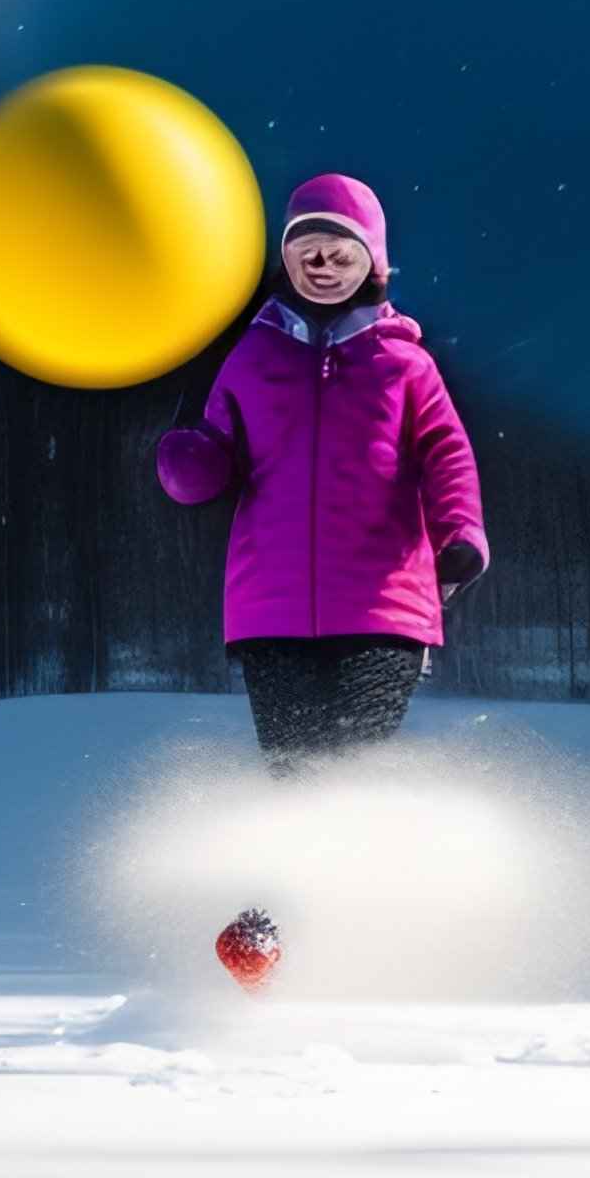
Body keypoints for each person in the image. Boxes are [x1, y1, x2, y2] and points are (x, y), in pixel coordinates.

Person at [156, 174, 487, 774]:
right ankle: (303, 842)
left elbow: (448, 454)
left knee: (352, 765)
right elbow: (217, 443)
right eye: (308, 255)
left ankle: (378, 835)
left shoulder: (405, 364)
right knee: (292, 771)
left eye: (341, 255)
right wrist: (190, 463)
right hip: (269, 607)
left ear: (372, 261)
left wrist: (460, 534)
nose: (324, 268)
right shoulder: (253, 356)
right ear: (286, 261)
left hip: (382, 604)